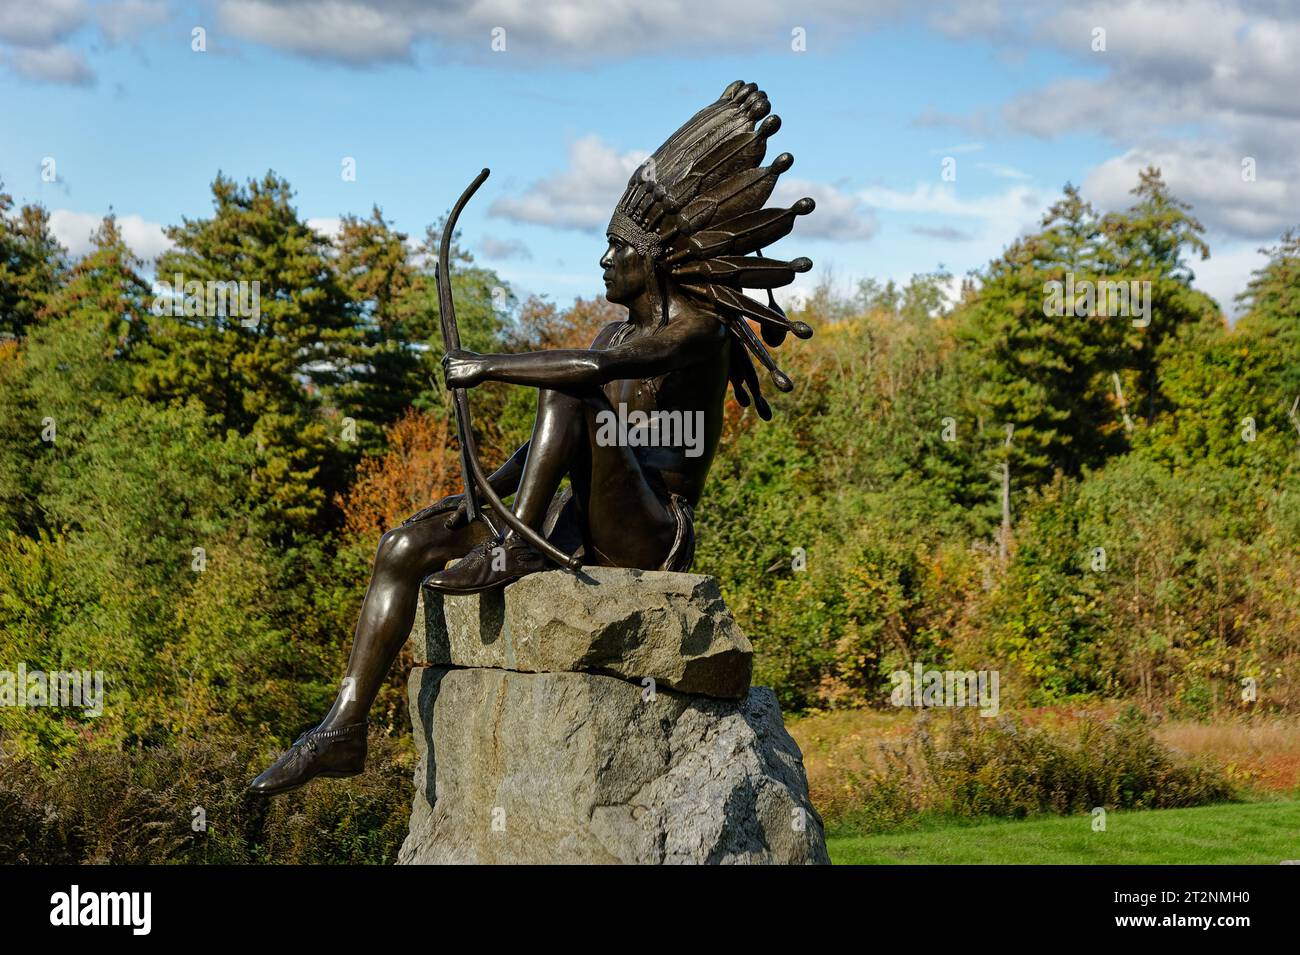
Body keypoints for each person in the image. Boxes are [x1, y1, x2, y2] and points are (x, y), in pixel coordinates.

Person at [250, 80, 814, 795]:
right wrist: (479, 494)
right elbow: (567, 428)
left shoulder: (694, 332)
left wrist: (485, 367)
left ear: (653, 257)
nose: (603, 261)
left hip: (651, 534)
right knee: (404, 545)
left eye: (616, 248)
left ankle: (516, 545)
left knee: (570, 382)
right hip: (580, 516)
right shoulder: (612, 328)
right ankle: (342, 725)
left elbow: (591, 375)